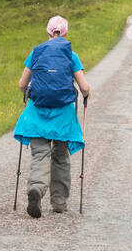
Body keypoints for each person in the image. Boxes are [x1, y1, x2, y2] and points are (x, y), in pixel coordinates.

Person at [13, 15, 91, 218]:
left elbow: (22, 85)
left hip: (37, 112)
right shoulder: (71, 55)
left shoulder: (36, 53)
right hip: (63, 115)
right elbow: (84, 87)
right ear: (65, 33)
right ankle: (58, 202)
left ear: (48, 32)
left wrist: (28, 88)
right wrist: (86, 95)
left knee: (40, 154)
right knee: (61, 156)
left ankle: (36, 189)